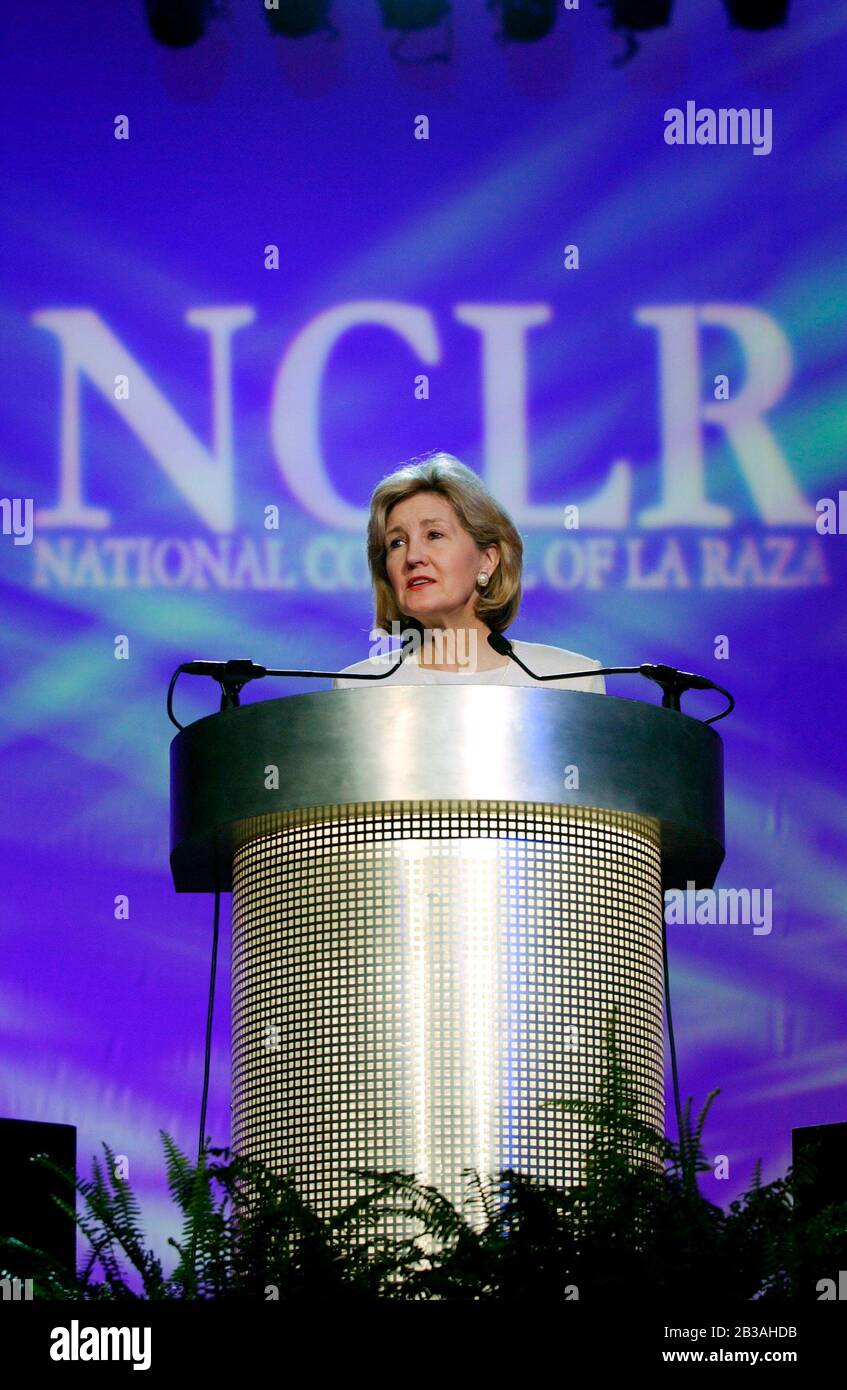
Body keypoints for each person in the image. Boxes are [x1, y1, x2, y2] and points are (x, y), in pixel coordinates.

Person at [333, 451, 605, 693]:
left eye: (434, 534)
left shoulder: (570, 681)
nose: (413, 557)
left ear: (487, 559)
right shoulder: (359, 687)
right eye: (397, 543)